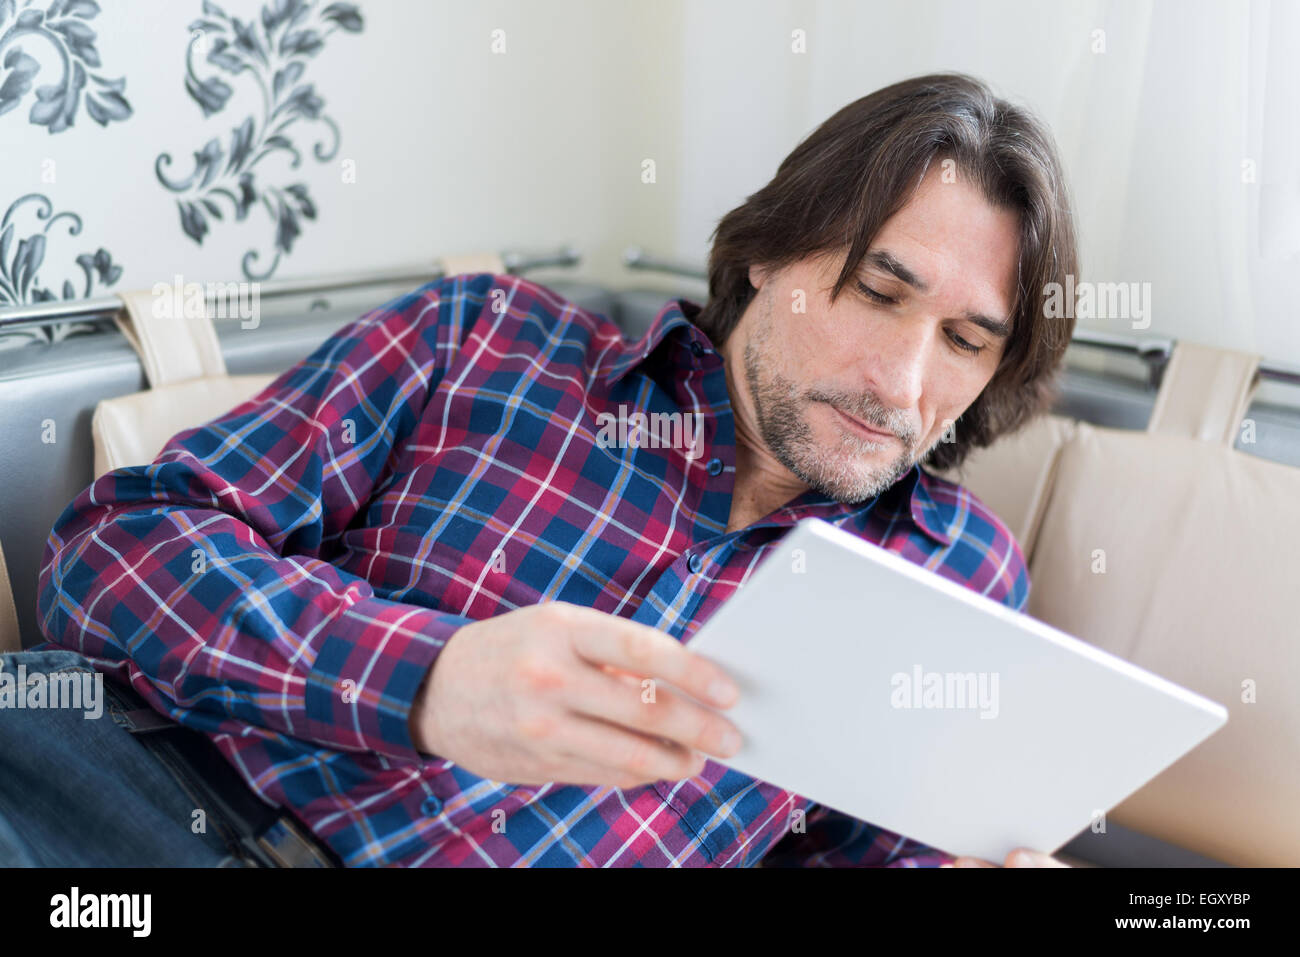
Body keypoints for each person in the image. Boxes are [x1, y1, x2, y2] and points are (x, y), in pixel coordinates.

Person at [18, 72, 1076, 867]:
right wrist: (425, 681)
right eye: (876, 292)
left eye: (965, 342)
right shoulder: (483, 337)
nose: (900, 381)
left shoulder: (958, 582)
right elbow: (111, 555)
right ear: (769, 254)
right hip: (124, 803)